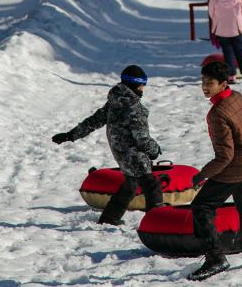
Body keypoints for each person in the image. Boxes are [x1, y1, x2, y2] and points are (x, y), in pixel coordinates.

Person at [52, 65, 163, 226]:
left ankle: (109, 219)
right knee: (152, 187)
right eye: (142, 85)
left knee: (130, 186)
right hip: (134, 154)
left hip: (119, 153)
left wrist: (71, 134)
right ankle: (156, 224)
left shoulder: (114, 101)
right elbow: (142, 139)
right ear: (135, 84)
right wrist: (154, 150)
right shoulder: (134, 108)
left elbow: (95, 120)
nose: (143, 88)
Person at [187, 61, 242, 281]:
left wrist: (202, 175)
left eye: (210, 83)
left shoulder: (218, 113)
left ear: (223, 84)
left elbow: (225, 156)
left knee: (202, 207)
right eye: (203, 82)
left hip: (233, 169)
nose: (205, 87)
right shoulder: (237, 97)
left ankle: (215, 258)